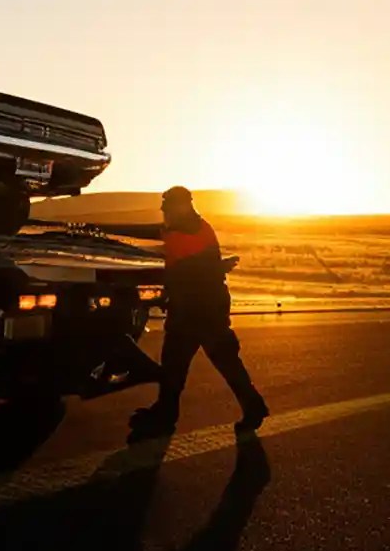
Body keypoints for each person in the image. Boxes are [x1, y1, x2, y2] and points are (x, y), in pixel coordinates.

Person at [102, 186, 269, 438]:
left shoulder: (188, 231)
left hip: (201, 309)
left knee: (205, 362)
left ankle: (248, 407)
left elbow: (185, 270)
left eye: (167, 206)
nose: (164, 211)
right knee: (184, 364)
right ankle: (168, 413)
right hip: (196, 307)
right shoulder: (188, 227)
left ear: (181, 207)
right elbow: (162, 245)